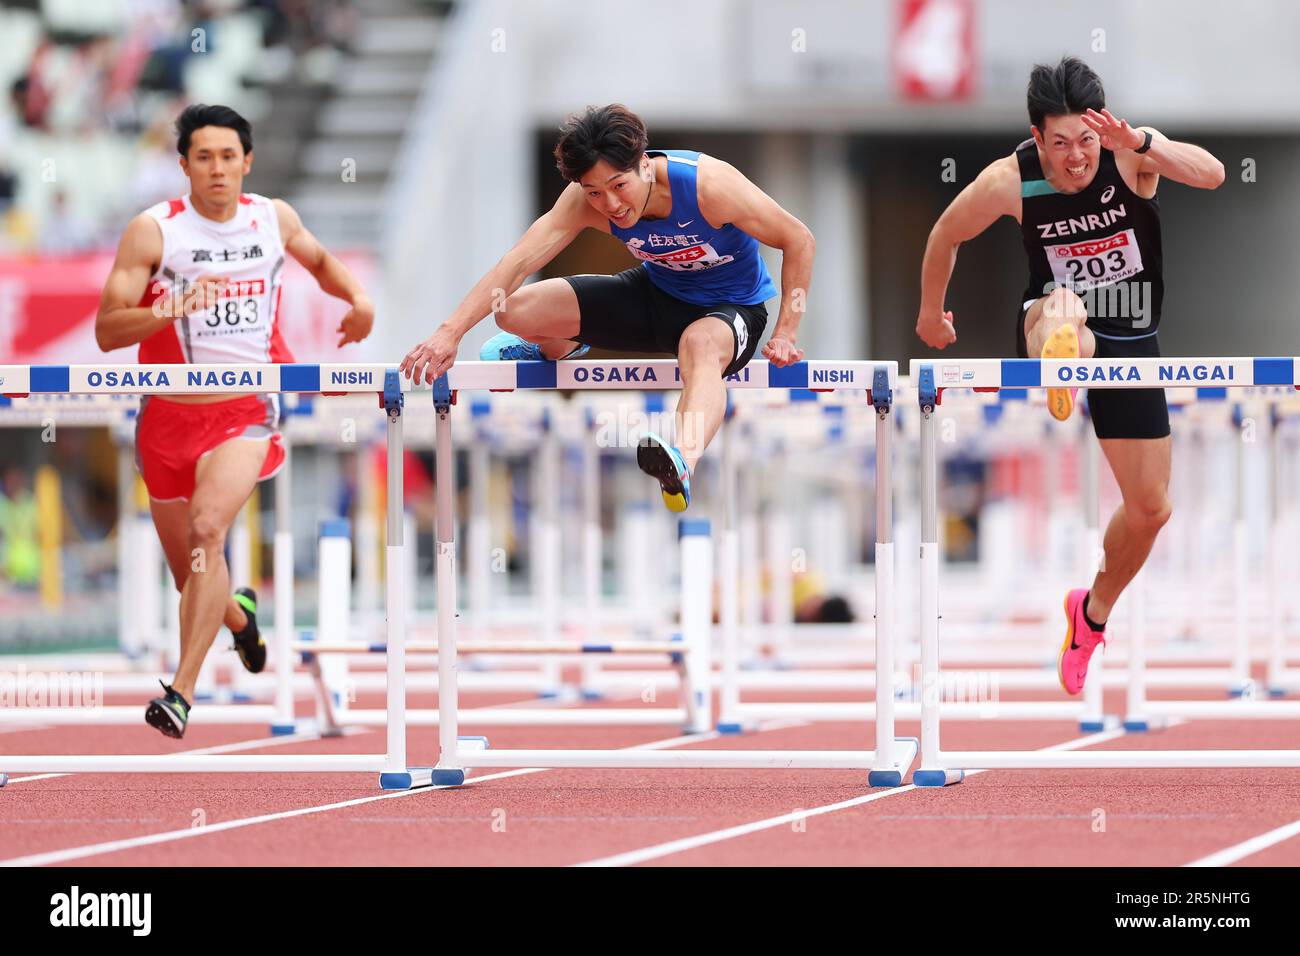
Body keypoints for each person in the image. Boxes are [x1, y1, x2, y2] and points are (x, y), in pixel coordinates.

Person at [913, 57, 1224, 695]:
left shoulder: (1129, 154)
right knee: (1065, 311)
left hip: (1133, 338)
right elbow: (947, 233)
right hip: (1052, 319)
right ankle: (1063, 364)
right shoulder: (1010, 179)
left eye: (1085, 140)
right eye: (1060, 145)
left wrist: (1140, 143)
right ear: (1036, 137)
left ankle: (1091, 614)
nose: (1077, 158)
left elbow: (1214, 174)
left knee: (1151, 509)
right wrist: (930, 312)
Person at [96, 104, 376, 737]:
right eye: (204, 158)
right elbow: (108, 330)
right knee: (191, 576)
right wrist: (169, 309)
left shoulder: (272, 219)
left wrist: (358, 301)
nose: (218, 169)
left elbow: (323, 263)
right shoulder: (153, 232)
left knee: (206, 532)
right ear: (184, 166)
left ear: (247, 161)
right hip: (166, 418)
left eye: (228, 157)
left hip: (244, 412)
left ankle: (181, 693)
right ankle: (242, 620)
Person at [400, 104, 815, 512]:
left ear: (645, 166)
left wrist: (786, 331)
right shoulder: (582, 200)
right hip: (655, 297)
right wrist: (449, 333)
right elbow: (516, 263)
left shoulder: (708, 186)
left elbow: (798, 239)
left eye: (619, 186)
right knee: (511, 311)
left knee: (700, 343)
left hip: (731, 310)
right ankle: (558, 346)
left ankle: (681, 460)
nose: (611, 205)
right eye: (595, 193)